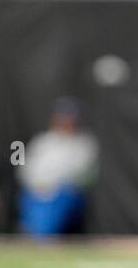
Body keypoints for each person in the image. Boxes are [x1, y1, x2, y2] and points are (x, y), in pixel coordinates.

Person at [17, 97, 98, 238]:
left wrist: (55, 185)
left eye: (69, 118)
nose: (65, 122)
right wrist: (39, 185)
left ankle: (43, 238)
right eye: (62, 118)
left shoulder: (84, 143)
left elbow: (85, 173)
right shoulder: (41, 141)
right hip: (37, 192)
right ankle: (32, 235)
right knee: (29, 199)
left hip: (66, 193)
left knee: (55, 202)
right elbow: (24, 169)